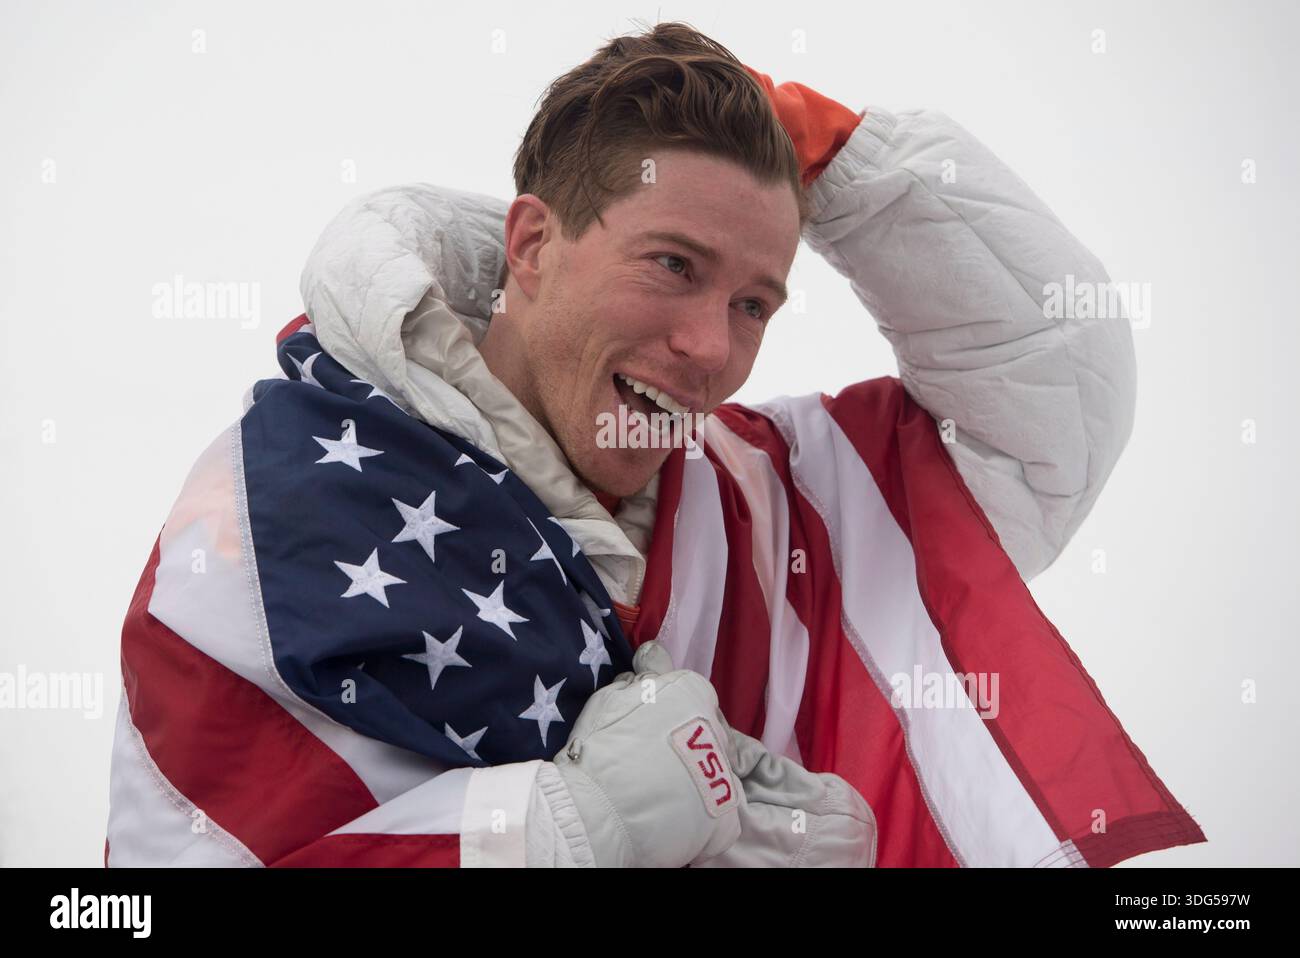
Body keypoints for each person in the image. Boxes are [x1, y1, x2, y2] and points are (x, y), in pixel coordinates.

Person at [107, 22, 1196, 870]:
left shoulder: (777, 498)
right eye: (673, 264)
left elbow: (1052, 405)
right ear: (530, 243)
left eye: (757, 302)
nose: (709, 348)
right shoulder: (270, 509)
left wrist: (854, 169)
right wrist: (568, 830)